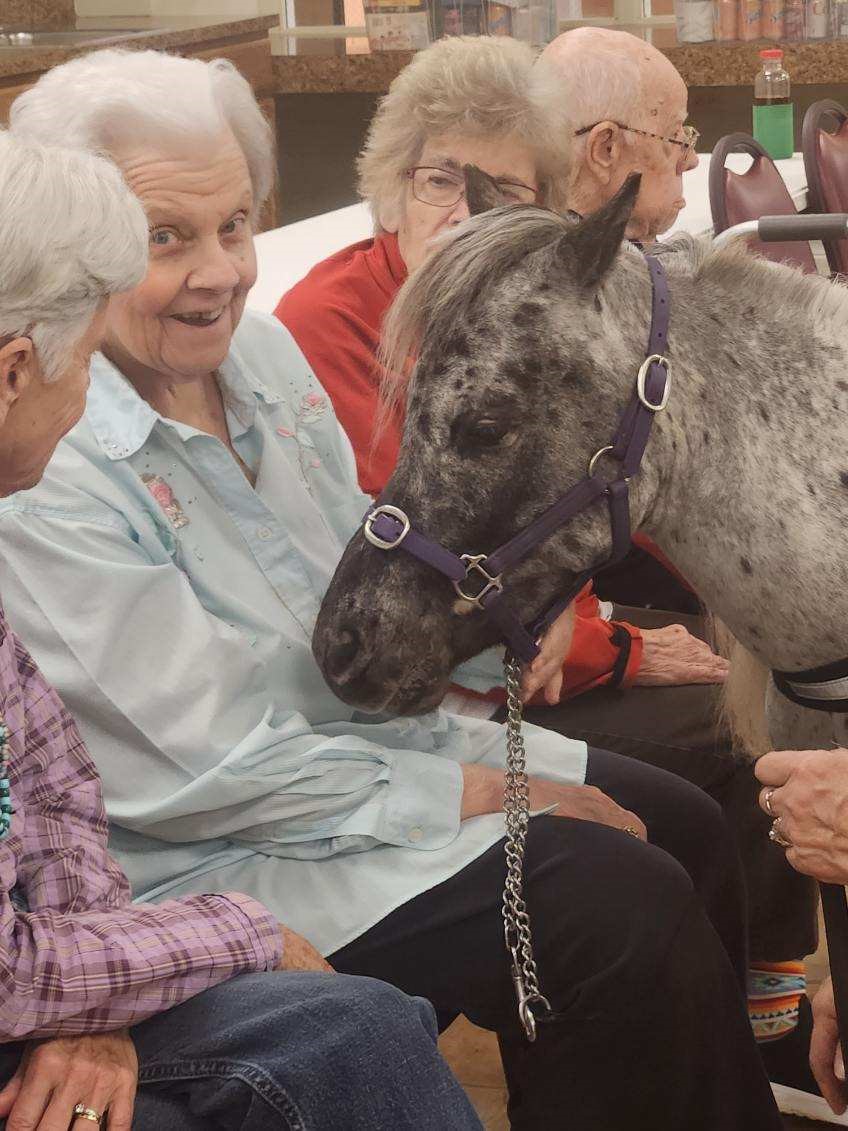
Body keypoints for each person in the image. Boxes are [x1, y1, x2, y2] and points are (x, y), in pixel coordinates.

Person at [5, 47, 784, 1129]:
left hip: (363, 761)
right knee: (612, 902)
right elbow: (200, 776)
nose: (223, 271)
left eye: (236, 225)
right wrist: (491, 793)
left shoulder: (259, 356)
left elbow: (370, 589)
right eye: (165, 238)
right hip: (227, 850)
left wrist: (506, 624)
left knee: (684, 820)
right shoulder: (44, 463)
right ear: (81, 251)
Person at [277, 27, 819, 1086]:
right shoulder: (331, 319)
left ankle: (742, 1032)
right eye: (440, 177)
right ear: (388, 185)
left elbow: (588, 480)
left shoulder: (508, 305)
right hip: (422, 697)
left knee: (730, 732)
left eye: (507, 191)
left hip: (488, 665)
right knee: (717, 760)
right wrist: (610, 645)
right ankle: (719, 1037)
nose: (461, 212)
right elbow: (427, 543)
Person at [0, 127, 483, 1131]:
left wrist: (96, 985)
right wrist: (231, 931)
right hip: (172, 880)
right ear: (13, 372)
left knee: (353, 1025)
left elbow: (52, 788)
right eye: (84, 359)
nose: (86, 392)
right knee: (350, 1036)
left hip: (71, 949)